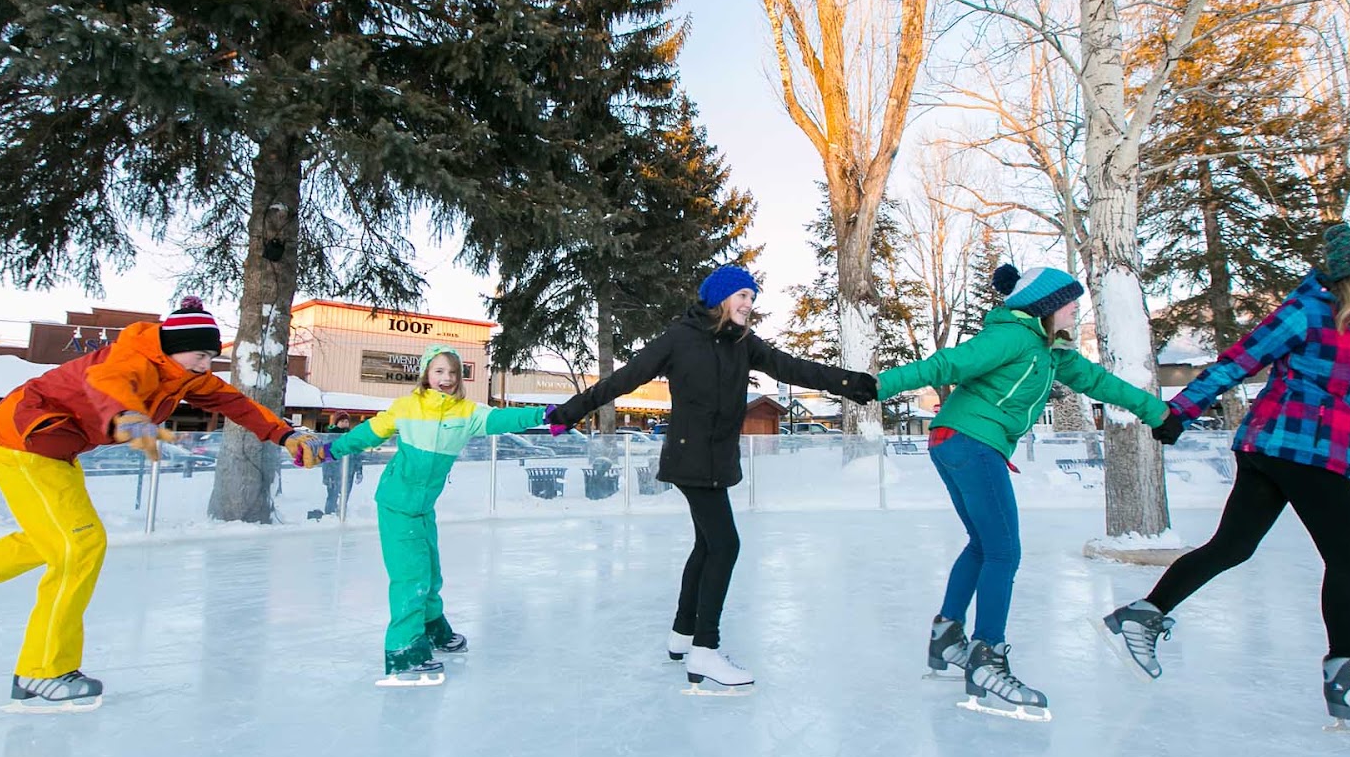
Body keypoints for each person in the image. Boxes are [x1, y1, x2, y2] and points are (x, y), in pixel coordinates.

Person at [1101, 226, 1350, 734]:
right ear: (1347, 268)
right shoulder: (1306, 310)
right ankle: (1348, 678)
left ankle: (1142, 614)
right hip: (1294, 446)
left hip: (1294, 450)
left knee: (1232, 546)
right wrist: (1182, 410)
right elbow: (1241, 360)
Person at [0, 296, 329, 711]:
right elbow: (106, 383)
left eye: (209, 356)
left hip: (49, 448)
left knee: (52, 540)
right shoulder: (131, 358)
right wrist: (127, 415)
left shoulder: (186, 376)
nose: (206, 364)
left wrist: (286, 434)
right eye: (200, 355)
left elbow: (236, 403)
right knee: (81, 545)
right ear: (176, 348)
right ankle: (43, 669)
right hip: (23, 439)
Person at [545, 265, 876, 694]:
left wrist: (849, 383)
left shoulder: (742, 342)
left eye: (752, 298)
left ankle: (683, 634)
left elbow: (792, 368)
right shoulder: (678, 338)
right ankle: (705, 648)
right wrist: (569, 412)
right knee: (725, 545)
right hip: (690, 457)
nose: (748, 305)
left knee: (707, 546)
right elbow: (623, 379)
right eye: (741, 295)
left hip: (718, 458)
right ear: (719, 297)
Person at [878, 264, 1168, 722]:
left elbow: (1099, 381)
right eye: (1070, 302)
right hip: (972, 440)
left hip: (959, 441)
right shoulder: (1012, 336)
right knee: (1004, 552)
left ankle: (947, 638)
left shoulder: (1054, 349)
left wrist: (1157, 412)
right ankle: (987, 657)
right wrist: (877, 386)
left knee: (983, 546)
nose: (1075, 309)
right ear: (1047, 306)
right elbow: (947, 364)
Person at [328, 345, 547, 687]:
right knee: (410, 578)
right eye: (438, 371)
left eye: (452, 373)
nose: (445, 379)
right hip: (397, 503)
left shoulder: (466, 413)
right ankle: (403, 652)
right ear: (426, 373)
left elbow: (503, 419)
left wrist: (542, 415)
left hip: (423, 507)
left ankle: (433, 631)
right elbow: (367, 433)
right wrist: (329, 447)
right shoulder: (407, 407)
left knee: (430, 573)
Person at [311, 412, 363, 520]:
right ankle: (329, 516)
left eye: (347, 421)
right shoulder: (331, 437)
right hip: (334, 474)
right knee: (332, 496)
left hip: (349, 473)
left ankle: (341, 515)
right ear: (336, 423)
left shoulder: (351, 437)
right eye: (342, 421)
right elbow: (326, 458)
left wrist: (359, 471)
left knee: (344, 496)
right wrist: (327, 476)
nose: (345, 423)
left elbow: (357, 455)